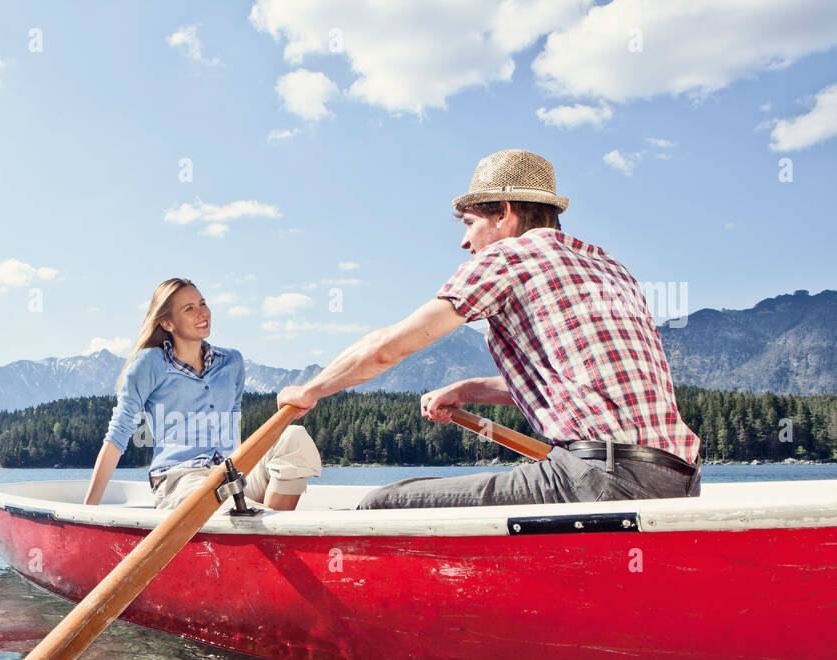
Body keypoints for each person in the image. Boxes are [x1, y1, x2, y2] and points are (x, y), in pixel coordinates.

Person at [275, 148, 701, 509]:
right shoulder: (609, 267)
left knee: (384, 504)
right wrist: (467, 389)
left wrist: (310, 390)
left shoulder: (506, 259)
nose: (465, 242)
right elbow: (579, 385)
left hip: (602, 479)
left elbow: (388, 349)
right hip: (678, 478)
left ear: (504, 214)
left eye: (469, 223)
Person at [85, 278, 321, 511]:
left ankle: (268, 536)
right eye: (189, 308)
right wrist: (88, 511)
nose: (202, 313)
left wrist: (241, 472)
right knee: (228, 506)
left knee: (294, 437)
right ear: (167, 323)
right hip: (181, 481)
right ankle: (249, 520)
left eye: (203, 303)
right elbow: (117, 436)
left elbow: (232, 428)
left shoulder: (231, 362)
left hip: (232, 473)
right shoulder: (149, 363)